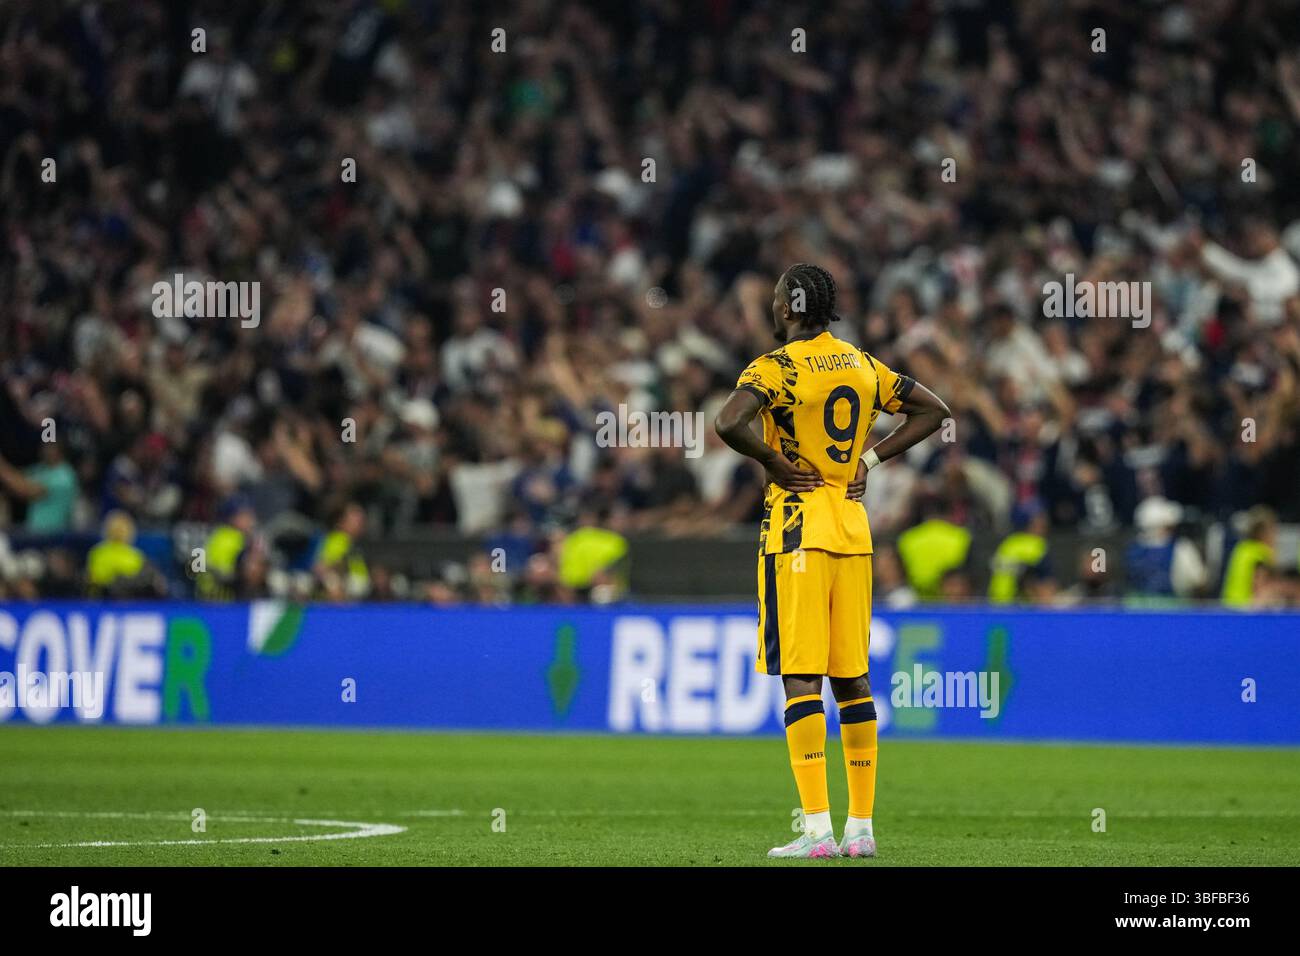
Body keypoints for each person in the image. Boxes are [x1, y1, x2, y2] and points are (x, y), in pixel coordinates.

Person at [714, 263, 949, 860]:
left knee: (801, 676)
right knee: (853, 678)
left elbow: (727, 422)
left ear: (788, 307)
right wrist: (868, 461)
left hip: (796, 529)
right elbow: (933, 411)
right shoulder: (862, 364)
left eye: (774, 299)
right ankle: (861, 829)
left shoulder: (776, 368)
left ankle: (817, 829)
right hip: (852, 529)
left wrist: (770, 459)